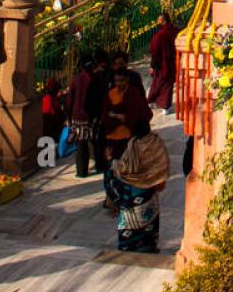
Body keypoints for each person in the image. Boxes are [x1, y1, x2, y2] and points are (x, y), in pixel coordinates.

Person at [104, 120, 170, 253]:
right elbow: (161, 184)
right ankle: (149, 250)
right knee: (149, 238)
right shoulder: (155, 145)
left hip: (129, 204)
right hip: (149, 202)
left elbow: (111, 180)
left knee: (127, 242)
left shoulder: (122, 149)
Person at [101, 60, 153, 209]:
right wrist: (120, 118)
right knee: (112, 172)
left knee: (127, 172)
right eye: (117, 81)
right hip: (112, 139)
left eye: (122, 80)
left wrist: (120, 117)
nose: (119, 84)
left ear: (127, 80)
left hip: (128, 139)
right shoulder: (110, 94)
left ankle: (124, 200)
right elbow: (105, 116)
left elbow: (140, 114)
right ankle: (112, 200)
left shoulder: (133, 94)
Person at [66, 56, 102, 179]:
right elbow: (98, 99)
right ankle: (100, 166)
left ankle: (81, 171)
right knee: (95, 142)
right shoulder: (95, 79)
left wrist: (68, 116)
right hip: (91, 116)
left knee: (81, 144)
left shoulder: (75, 79)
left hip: (77, 116)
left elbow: (70, 99)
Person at [148, 9, 178, 112]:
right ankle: (166, 106)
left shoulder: (160, 35)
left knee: (157, 83)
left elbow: (154, 51)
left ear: (163, 20)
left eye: (159, 19)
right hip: (173, 62)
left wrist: (152, 65)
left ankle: (152, 101)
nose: (157, 21)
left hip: (161, 63)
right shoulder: (176, 31)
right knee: (168, 84)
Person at [41, 75, 65, 147]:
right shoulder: (49, 99)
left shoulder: (47, 97)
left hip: (48, 126)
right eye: (57, 90)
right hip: (50, 127)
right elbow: (54, 114)